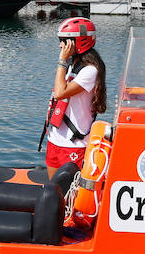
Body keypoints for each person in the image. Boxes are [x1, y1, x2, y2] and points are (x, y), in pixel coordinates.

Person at [43, 17, 107, 171]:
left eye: (63, 41)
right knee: (54, 192)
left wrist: (62, 61)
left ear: (77, 42)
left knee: (69, 193)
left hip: (73, 144)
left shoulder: (90, 71)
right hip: (55, 139)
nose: (60, 45)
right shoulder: (73, 64)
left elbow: (60, 93)